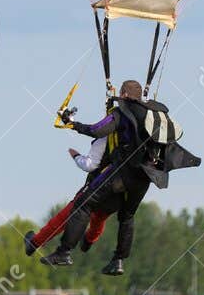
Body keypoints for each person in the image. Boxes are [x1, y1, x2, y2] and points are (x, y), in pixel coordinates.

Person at [40, 79, 154, 277]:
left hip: (123, 172)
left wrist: (72, 124)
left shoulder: (121, 113)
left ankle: (63, 252)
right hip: (146, 176)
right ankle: (118, 261)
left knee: (83, 203)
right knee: (127, 216)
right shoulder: (152, 114)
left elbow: (96, 130)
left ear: (124, 95)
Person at [23, 135, 110, 260]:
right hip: (119, 188)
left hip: (97, 183)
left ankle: (35, 243)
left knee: (67, 215)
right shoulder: (130, 135)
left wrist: (76, 156)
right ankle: (88, 242)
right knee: (100, 216)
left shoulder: (105, 136)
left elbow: (89, 165)